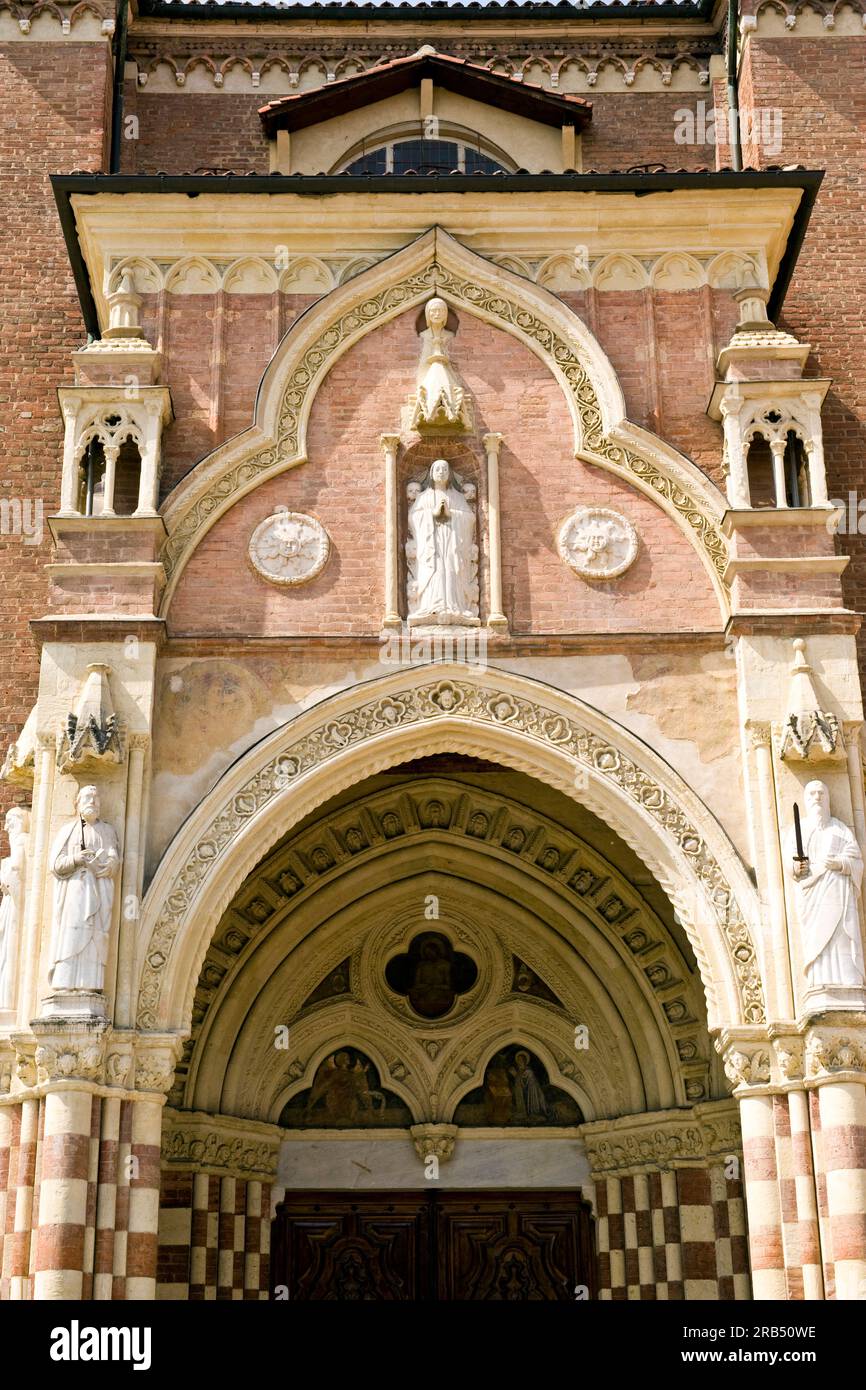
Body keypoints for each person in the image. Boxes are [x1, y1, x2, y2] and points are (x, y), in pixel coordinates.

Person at [791, 780, 866, 994]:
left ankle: (848, 981)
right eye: (812, 794)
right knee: (818, 941)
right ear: (806, 800)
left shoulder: (839, 829)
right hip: (813, 894)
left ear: (828, 798)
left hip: (839, 895)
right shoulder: (802, 829)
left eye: (821, 793)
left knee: (840, 939)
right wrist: (797, 867)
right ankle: (819, 980)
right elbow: (792, 864)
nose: (817, 798)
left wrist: (839, 864)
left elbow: (857, 861)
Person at [48, 785, 119, 993]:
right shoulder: (67, 831)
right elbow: (55, 865)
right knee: (71, 935)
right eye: (87, 797)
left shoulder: (107, 830)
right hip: (75, 892)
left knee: (94, 938)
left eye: (96, 798)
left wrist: (112, 863)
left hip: (99, 892)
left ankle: (90, 985)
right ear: (77, 803)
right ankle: (65, 982)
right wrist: (77, 859)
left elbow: (113, 854)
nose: (93, 802)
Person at [406, 458, 478, 625]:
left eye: (444, 469)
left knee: (452, 571)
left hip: (453, 543)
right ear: (431, 473)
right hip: (431, 545)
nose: (441, 472)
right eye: (437, 469)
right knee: (435, 572)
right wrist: (433, 514)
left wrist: (452, 514)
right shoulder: (423, 497)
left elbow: (470, 518)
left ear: (450, 474)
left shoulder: (458, 497)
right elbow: (413, 518)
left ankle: (455, 606)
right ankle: (430, 605)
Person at [0, 807, 29, 1009]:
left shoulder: (22, 841)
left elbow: (16, 870)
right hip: (11, 903)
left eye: (11, 821)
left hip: (17, 904)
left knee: (10, 955)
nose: (6, 826)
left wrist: (6, 868)